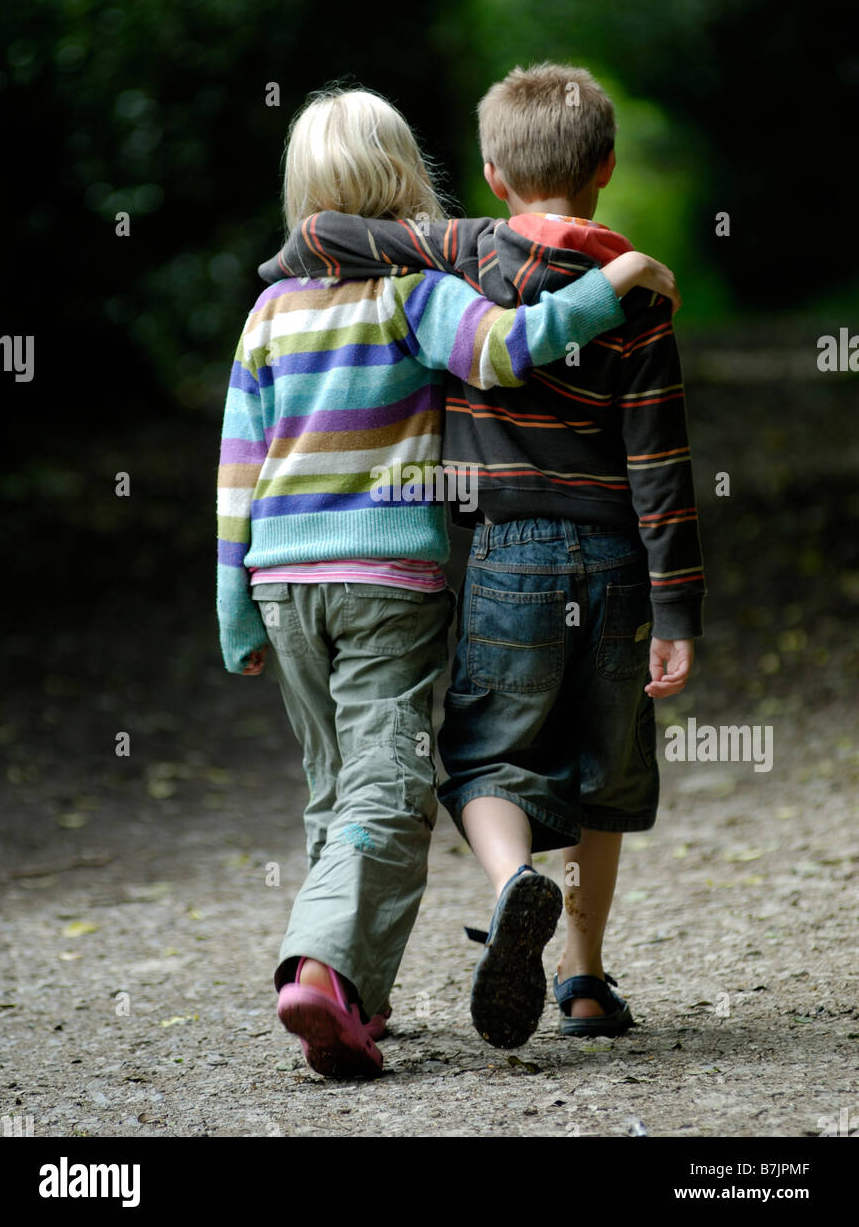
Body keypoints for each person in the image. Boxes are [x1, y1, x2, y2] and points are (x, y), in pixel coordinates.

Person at [217, 83, 680, 1077]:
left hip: (278, 584)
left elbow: (237, 465)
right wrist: (612, 285)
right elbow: (511, 350)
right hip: (387, 580)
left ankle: (355, 994)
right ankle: (323, 971)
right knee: (389, 787)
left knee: (337, 784)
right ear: (405, 184)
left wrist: (231, 604)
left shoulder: (267, 310)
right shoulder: (419, 288)